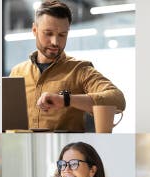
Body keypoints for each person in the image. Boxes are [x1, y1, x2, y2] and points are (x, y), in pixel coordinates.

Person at [9, 1, 125, 132]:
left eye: (62, 35)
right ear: (34, 30)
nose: (55, 42)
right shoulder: (17, 72)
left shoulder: (80, 70)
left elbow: (118, 100)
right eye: (48, 33)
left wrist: (66, 100)